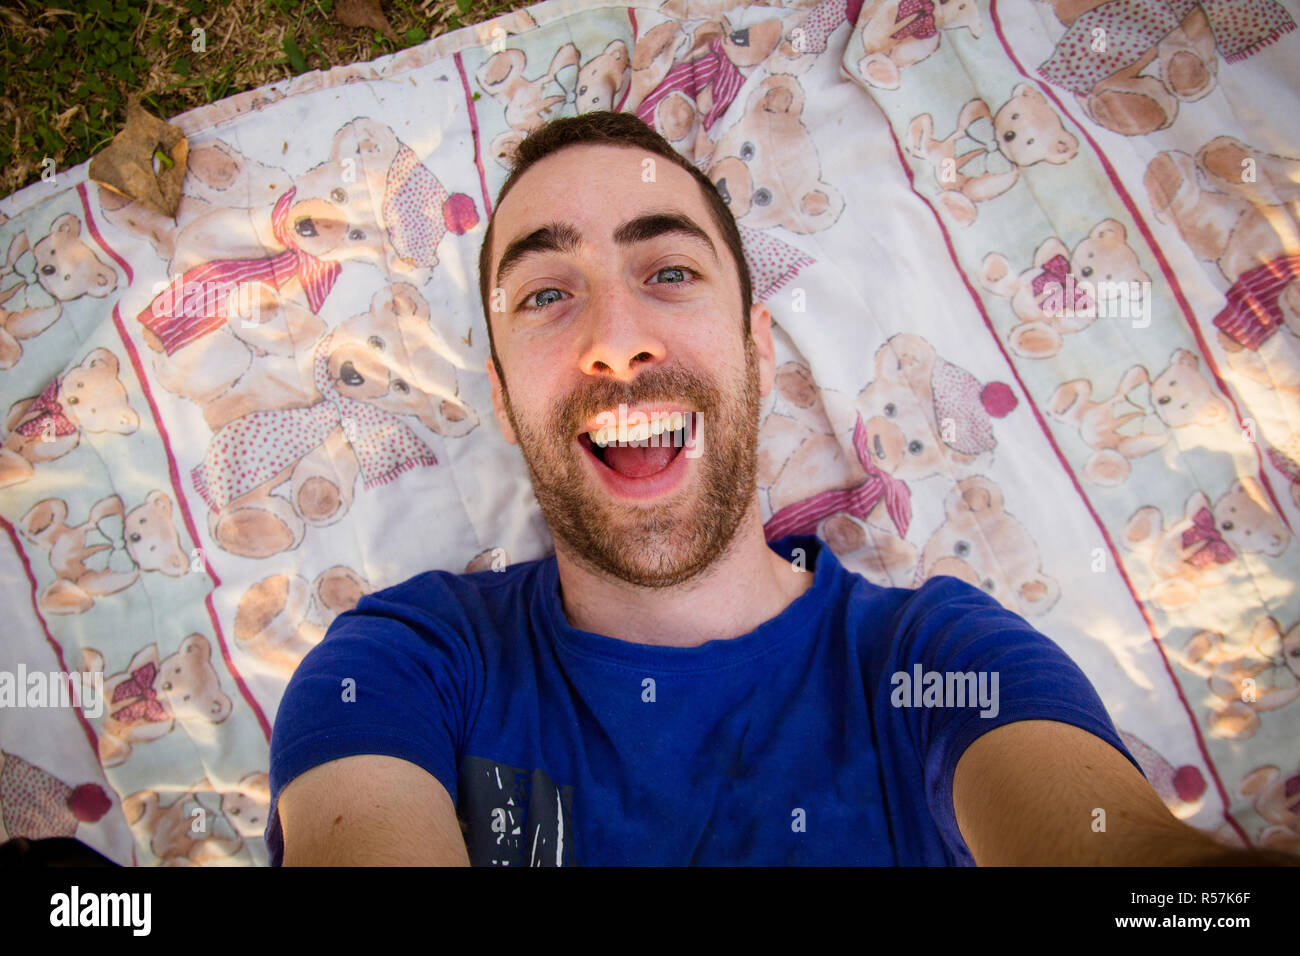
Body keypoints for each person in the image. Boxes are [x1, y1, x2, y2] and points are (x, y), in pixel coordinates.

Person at [266, 111, 1291, 866]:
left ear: (756, 349)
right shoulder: (401, 666)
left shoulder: (939, 661)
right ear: (500, 397)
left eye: (667, 271)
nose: (616, 340)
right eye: (545, 293)